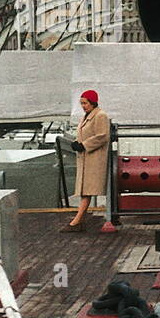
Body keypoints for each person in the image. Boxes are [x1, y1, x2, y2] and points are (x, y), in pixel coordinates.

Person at [64, 88, 110, 233]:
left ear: (92, 102)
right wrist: (77, 143)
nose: (83, 106)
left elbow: (102, 135)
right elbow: (86, 133)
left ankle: (76, 221)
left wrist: (84, 145)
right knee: (85, 191)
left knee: (87, 191)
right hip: (86, 158)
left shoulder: (100, 116)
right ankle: (78, 221)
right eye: (82, 103)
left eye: (85, 103)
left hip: (94, 160)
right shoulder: (87, 116)